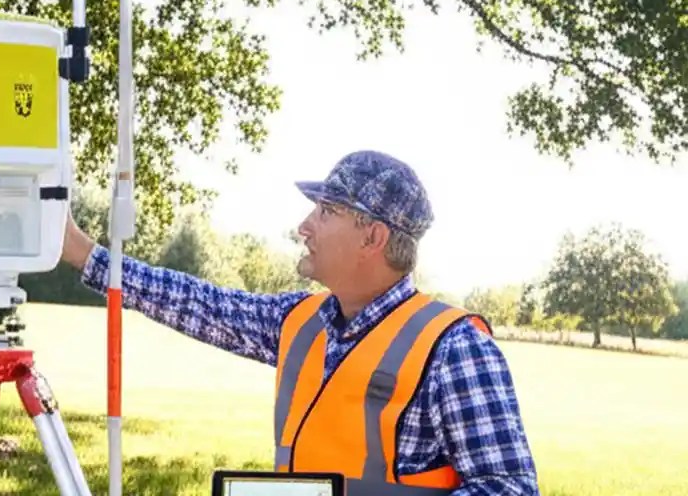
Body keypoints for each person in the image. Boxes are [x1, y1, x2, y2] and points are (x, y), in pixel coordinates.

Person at [60, 150, 540, 495]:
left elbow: (509, 487)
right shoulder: (301, 321)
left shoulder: (454, 348)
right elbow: (199, 303)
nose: (304, 225)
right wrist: (84, 254)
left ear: (372, 236)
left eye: (326, 211)